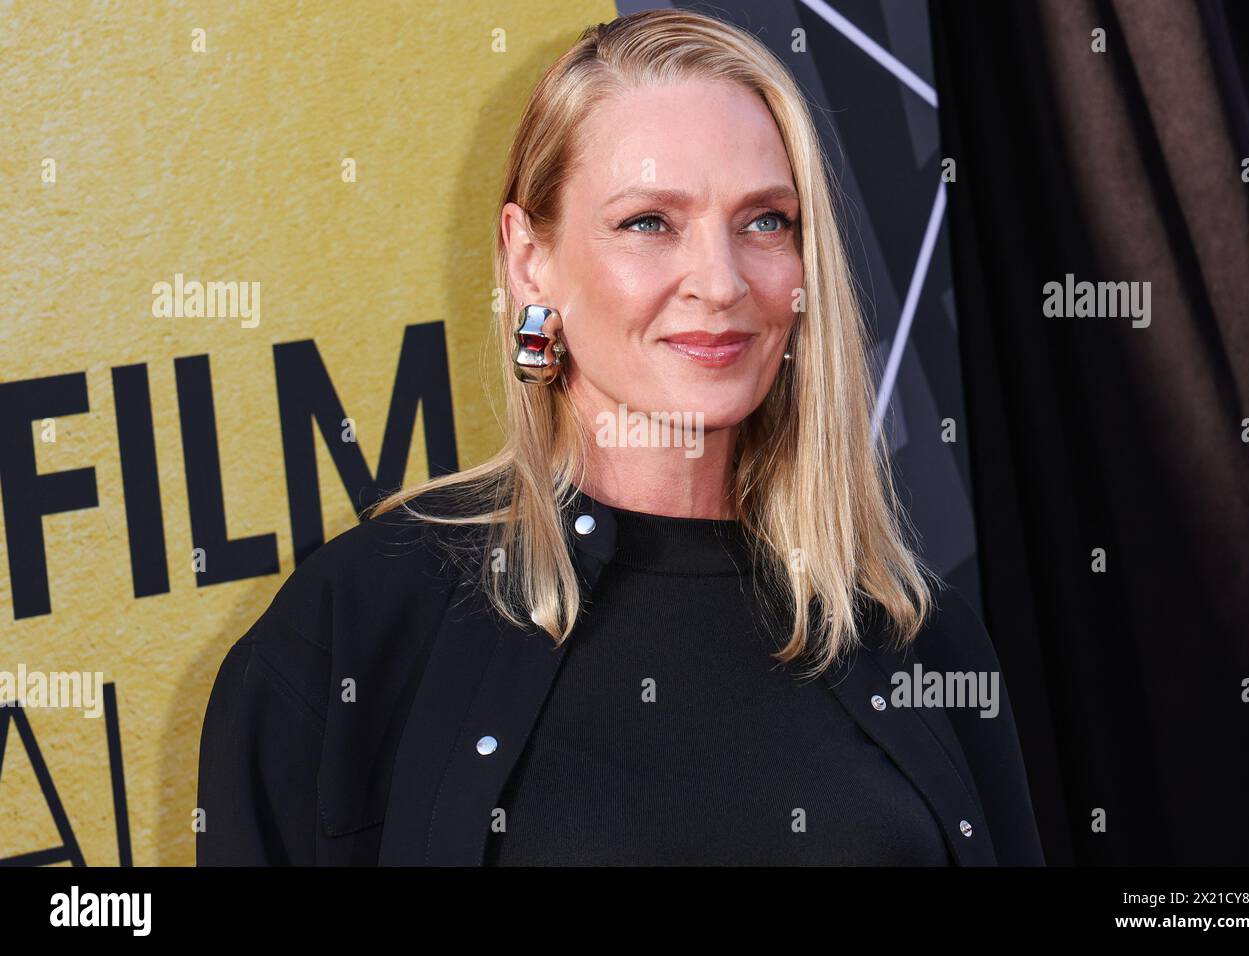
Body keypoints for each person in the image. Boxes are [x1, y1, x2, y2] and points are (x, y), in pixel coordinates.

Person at [196, 8, 1044, 867]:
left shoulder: (914, 635)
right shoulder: (356, 627)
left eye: (765, 221)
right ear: (531, 260)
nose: (720, 281)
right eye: (649, 222)